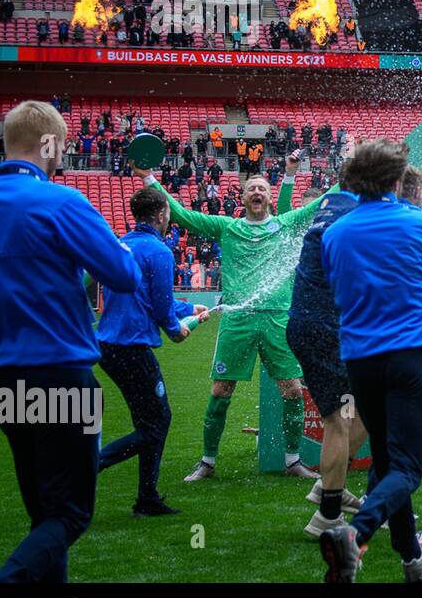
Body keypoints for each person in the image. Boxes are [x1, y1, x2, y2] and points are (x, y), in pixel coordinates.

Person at [0, 101, 142, 582]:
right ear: (50, 144)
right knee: (70, 514)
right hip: (60, 374)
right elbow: (123, 275)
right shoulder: (61, 202)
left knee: (45, 513)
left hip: (7, 380)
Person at [317, 139, 422, 583]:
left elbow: (337, 287)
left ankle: (410, 556)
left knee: (386, 459)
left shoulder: (334, 233)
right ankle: (353, 533)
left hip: (361, 361)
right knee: (406, 468)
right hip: (411, 358)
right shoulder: (419, 223)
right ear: (397, 181)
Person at [134, 152, 328, 481]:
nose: (256, 192)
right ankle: (207, 462)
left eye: (262, 188)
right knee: (221, 390)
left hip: (277, 319)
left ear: (269, 197)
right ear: (243, 196)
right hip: (238, 321)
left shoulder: (285, 225)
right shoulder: (228, 227)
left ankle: (292, 461)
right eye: (251, 187)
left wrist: (354, 165)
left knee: (293, 390)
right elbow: (180, 214)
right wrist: (149, 176)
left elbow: (324, 202)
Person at [96, 187, 210, 516]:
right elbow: (160, 307)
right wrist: (177, 330)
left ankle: (147, 498)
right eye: (168, 214)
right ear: (161, 214)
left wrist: (188, 305)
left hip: (108, 346)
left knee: (150, 420)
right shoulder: (158, 251)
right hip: (131, 348)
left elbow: (147, 297)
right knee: (156, 423)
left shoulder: (122, 243)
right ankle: (90, 465)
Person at [287, 169, 368, 537]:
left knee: (363, 411)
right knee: (339, 419)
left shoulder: (331, 202)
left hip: (312, 326)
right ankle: (327, 516)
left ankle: (329, 486)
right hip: (325, 330)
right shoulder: (354, 217)